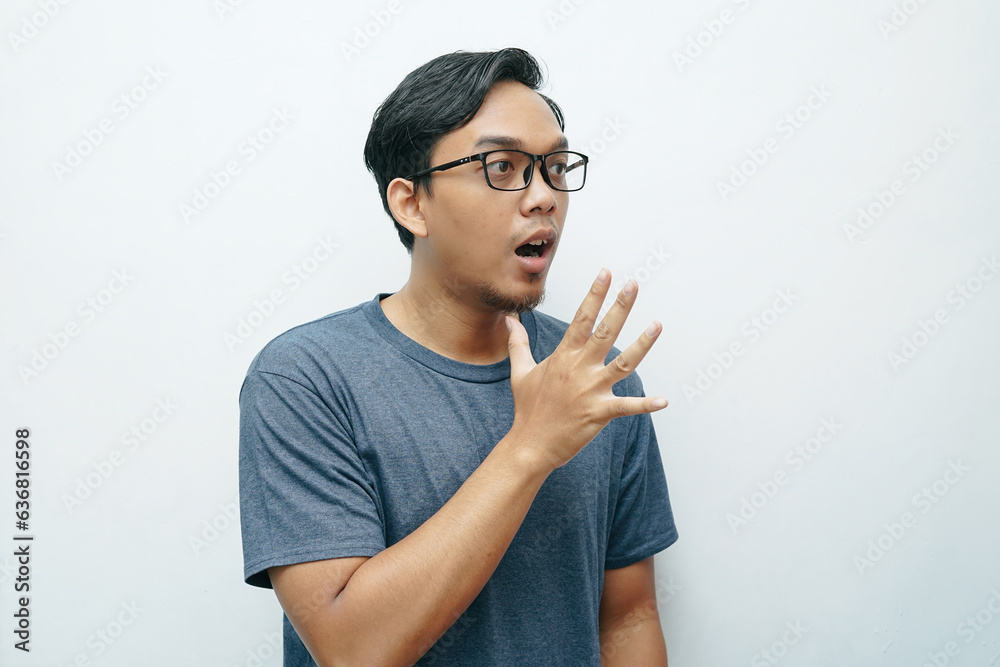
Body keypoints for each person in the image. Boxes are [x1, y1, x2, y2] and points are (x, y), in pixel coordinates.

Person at [239, 47, 678, 666]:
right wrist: (531, 447)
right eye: (503, 167)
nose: (543, 196)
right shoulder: (305, 377)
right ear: (412, 203)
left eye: (556, 167)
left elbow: (629, 618)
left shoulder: (594, 378)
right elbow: (351, 649)